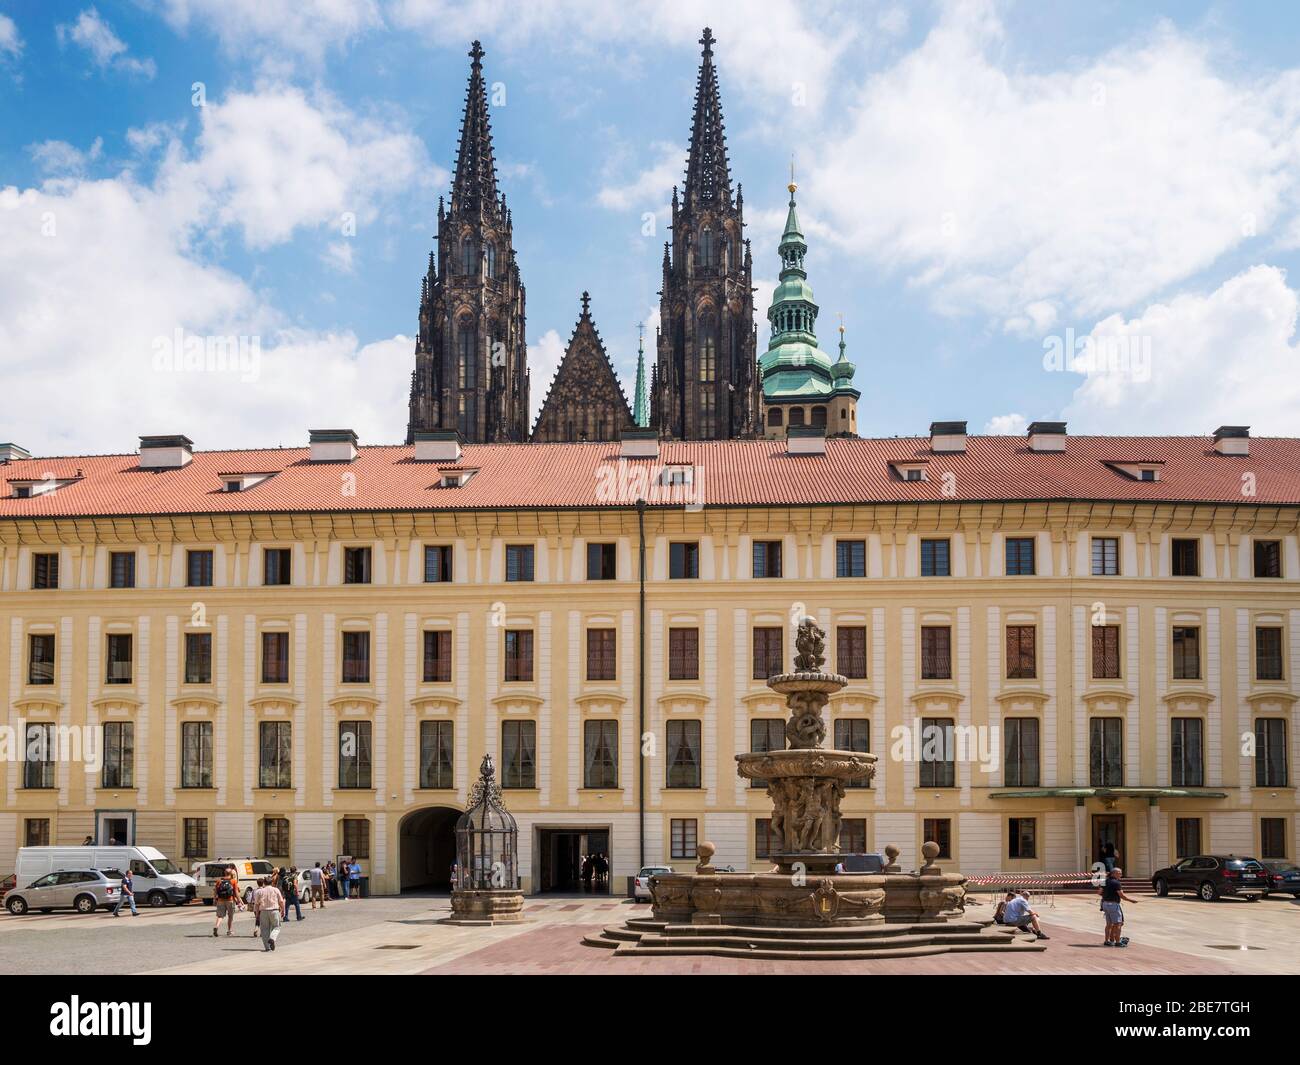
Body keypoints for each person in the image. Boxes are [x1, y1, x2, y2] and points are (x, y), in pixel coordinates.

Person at [1099, 866, 1138, 947]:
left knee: (1109, 924)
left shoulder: (1104, 881)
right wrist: (1132, 901)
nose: (1121, 875)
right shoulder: (1116, 883)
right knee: (1118, 924)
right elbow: (1122, 896)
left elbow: (1099, 892)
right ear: (1114, 873)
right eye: (1119, 873)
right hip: (1113, 905)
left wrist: (1107, 895)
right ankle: (1117, 942)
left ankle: (1107, 941)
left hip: (1105, 904)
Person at [252, 877, 284, 952]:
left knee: (264, 929)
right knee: (277, 926)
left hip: (263, 911)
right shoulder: (275, 890)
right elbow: (281, 901)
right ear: (272, 882)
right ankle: (272, 938)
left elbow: (256, 904)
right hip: (274, 910)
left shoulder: (259, 891)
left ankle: (267, 947)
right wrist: (283, 910)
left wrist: (257, 914)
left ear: (264, 883)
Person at [212, 866, 239, 936]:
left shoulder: (219, 881)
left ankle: (216, 926)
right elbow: (236, 892)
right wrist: (239, 901)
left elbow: (215, 891)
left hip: (220, 900)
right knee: (230, 916)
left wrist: (215, 899)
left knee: (220, 916)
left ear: (224, 873)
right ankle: (229, 931)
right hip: (230, 900)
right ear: (231, 873)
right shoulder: (233, 881)